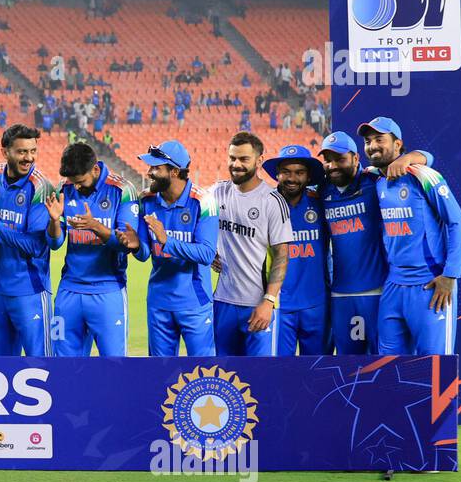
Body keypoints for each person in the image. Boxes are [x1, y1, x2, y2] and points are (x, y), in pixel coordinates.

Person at [361, 118, 461, 355]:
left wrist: (450, 275)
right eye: (368, 141)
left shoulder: (423, 175)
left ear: (398, 144)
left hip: (429, 287)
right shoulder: (373, 177)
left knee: (437, 371)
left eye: (380, 139)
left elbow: (457, 221)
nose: (372, 146)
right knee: (388, 371)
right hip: (393, 287)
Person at [317, 130, 429, 353]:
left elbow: (427, 157)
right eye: (328, 160)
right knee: (348, 366)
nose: (333, 165)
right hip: (341, 295)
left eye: (340, 159)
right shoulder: (321, 191)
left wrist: (408, 158)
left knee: (383, 362)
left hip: (378, 291)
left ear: (356, 158)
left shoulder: (374, 181)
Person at [46, 142, 141, 357]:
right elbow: (55, 243)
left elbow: (127, 244)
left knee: (114, 366)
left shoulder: (122, 191)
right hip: (69, 290)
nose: (76, 187)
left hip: (108, 291)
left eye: (81, 181)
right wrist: (53, 222)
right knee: (63, 367)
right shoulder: (64, 189)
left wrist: (95, 226)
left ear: (95, 170)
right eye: (73, 182)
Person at [0, 124, 56, 356]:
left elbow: (36, 246)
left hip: (30, 291)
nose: (29, 158)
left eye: (33, 151)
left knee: (42, 366)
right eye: (22, 152)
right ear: (5, 151)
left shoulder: (41, 187)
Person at [210, 132, 291, 356]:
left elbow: (282, 256)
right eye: (232, 158)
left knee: (262, 378)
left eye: (244, 159)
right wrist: (212, 253)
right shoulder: (217, 193)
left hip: (257, 305)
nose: (236, 164)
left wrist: (268, 301)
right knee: (224, 376)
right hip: (222, 303)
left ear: (259, 161)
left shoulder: (272, 201)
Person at [134, 140, 216, 355]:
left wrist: (167, 240)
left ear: (175, 172)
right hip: (158, 302)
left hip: (195, 304)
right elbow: (144, 254)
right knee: (159, 375)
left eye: (156, 168)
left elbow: (207, 254)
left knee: (203, 371)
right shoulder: (147, 200)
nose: (150, 172)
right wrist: (134, 244)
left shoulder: (203, 201)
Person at [261, 145, 329, 355]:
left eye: (299, 172)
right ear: (277, 174)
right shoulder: (264, 205)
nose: (292, 178)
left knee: (320, 373)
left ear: (308, 176)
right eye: (286, 172)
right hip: (279, 305)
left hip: (317, 304)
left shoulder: (321, 202)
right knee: (280, 373)